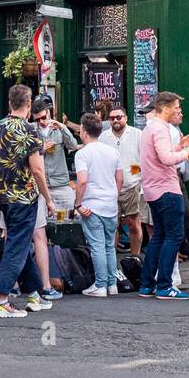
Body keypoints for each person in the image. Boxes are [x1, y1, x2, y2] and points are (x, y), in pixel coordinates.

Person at [0, 84, 55, 319]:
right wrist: (48, 198)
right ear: (29, 103)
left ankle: (34, 295)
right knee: (17, 246)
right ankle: (2, 300)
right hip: (24, 197)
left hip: (3, 196)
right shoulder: (30, 130)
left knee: (19, 243)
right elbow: (37, 170)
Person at [138, 91, 189, 300]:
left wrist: (179, 146)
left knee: (159, 236)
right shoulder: (161, 129)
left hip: (153, 190)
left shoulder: (149, 128)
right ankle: (164, 285)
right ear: (164, 107)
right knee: (174, 236)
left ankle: (147, 284)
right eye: (175, 107)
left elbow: (157, 155)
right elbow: (165, 158)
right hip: (167, 189)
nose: (177, 111)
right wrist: (187, 153)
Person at [31, 95, 78, 300]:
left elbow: (74, 145)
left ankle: (68, 266)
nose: (41, 121)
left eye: (44, 117)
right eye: (38, 118)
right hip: (42, 186)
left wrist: (63, 127)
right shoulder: (31, 131)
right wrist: (42, 148)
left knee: (67, 223)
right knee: (42, 229)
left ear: (50, 113)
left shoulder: (58, 129)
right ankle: (48, 269)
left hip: (60, 183)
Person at [74, 111, 123, 297]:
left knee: (97, 246)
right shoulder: (112, 151)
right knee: (109, 246)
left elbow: (83, 181)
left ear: (84, 131)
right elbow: (120, 178)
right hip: (110, 204)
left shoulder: (82, 154)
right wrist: (113, 195)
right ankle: (112, 284)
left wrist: (78, 203)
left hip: (91, 206)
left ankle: (100, 285)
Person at [100, 106, 145, 257]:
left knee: (133, 223)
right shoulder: (104, 137)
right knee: (112, 225)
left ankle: (135, 257)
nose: (115, 121)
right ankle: (111, 260)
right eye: (112, 118)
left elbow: (144, 160)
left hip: (132, 185)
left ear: (125, 117)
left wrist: (135, 173)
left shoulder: (137, 134)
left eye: (118, 117)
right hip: (110, 186)